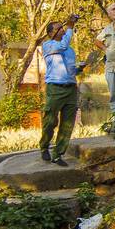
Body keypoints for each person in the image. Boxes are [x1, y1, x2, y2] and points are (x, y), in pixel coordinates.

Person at [38, 14, 82, 166]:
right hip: (55, 87)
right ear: (51, 33)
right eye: (58, 29)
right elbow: (62, 46)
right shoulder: (48, 45)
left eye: (63, 28)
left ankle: (58, 154)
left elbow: (70, 69)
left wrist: (78, 70)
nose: (63, 30)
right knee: (50, 120)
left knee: (67, 123)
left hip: (70, 88)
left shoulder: (70, 50)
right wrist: (70, 27)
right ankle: (44, 146)